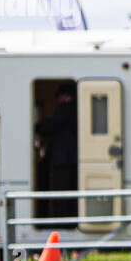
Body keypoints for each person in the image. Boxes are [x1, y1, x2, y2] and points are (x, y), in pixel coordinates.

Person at [35, 83, 78, 224]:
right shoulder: (78, 109)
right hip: (73, 159)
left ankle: (62, 221)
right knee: (71, 192)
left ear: (65, 96)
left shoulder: (65, 108)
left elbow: (51, 125)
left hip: (63, 159)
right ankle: (71, 219)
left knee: (61, 192)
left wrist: (36, 126)